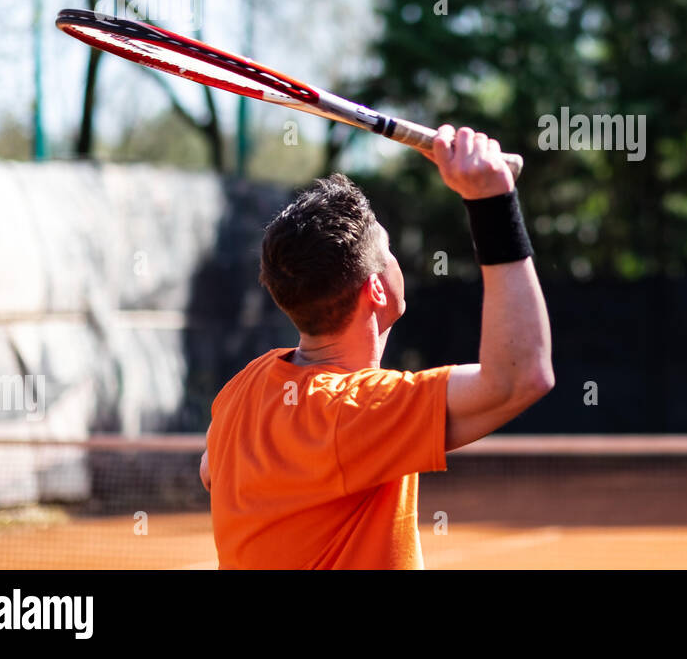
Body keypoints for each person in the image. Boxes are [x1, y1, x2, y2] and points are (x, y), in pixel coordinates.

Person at [199, 125, 553, 568]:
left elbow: (210, 469)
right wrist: (493, 204)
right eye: (388, 251)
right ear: (378, 290)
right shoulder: (356, 411)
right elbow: (520, 377)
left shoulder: (244, 389)